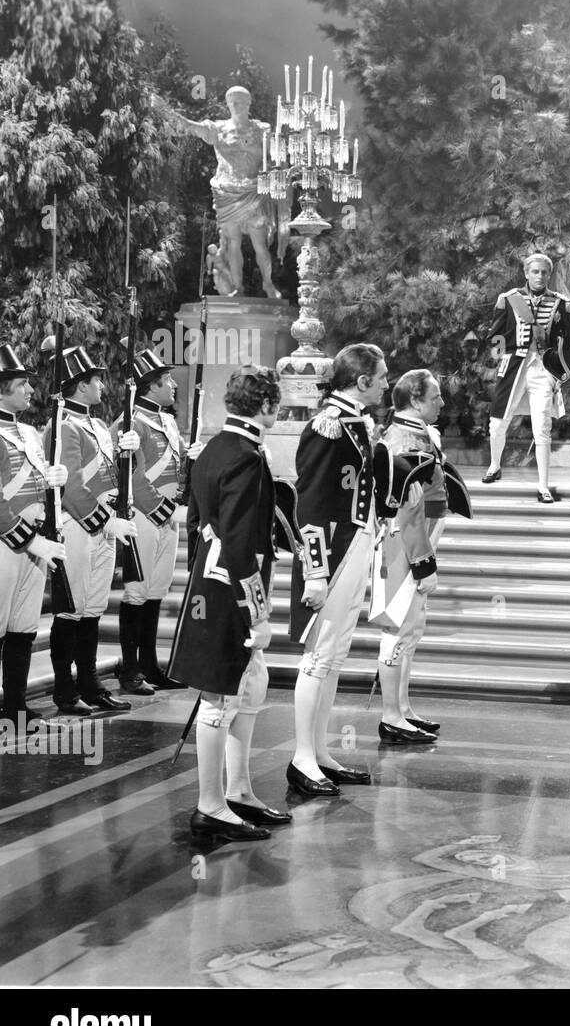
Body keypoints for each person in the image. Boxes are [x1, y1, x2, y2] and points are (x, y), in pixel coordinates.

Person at [169, 365, 289, 841]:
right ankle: (211, 805)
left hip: (209, 580)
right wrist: (257, 610)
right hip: (231, 589)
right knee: (219, 696)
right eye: (276, 404)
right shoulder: (246, 457)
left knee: (249, 686)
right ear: (265, 406)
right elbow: (241, 543)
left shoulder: (214, 448)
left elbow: (196, 523)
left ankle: (237, 791)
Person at [287, 344, 388, 796]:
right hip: (331, 553)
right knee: (318, 656)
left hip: (357, 545)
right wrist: (313, 570)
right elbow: (307, 503)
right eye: (382, 377)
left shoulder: (352, 422)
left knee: (334, 657)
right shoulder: (326, 427)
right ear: (362, 380)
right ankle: (301, 757)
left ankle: (320, 752)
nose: (388, 383)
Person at [48, 346, 139, 715]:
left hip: (103, 525)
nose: (103, 384)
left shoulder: (98, 425)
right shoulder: (63, 427)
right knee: (71, 609)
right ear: (81, 386)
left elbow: (106, 474)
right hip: (78, 525)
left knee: (93, 608)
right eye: (96, 379)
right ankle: (64, 690)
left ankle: (89, 681)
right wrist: (104, 520)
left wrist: (124, 453)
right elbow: (70, 488)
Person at [372, 369, 445, 744]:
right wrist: (423, 561)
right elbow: (407, 510)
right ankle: (390, 715)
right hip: (403, 545)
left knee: (410, 630)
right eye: (435, 398)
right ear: (415, 401)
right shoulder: (403, 440)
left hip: (414, 542)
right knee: (397, 628)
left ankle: (401, 708)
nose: (442, 403)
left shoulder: (413, 433)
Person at [116, 350, 196, 695]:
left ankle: (150, 665)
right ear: (151, 386)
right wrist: (161, 509)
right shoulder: (130, 422)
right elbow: (131, 476)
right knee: (136, 593)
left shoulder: (165, 420)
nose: (175, 385)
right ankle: (129, 669)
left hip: (166, 515)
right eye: (168, 380)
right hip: (143, 517)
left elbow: (176, 467)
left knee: (155, 592)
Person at [151, 86, 279, 299]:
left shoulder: (262, 130)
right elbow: (188, 127)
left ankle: (268, 284)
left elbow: (279, 157)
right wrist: (166, 111)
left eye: (239, 101)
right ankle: (238, 287)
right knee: (233, 243)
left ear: (248, 104)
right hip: (226, 191)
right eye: (231, 102)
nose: (234, 105)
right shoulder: (218, 129)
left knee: (259, 243)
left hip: (254, 191)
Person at [0, 343, 68, 722]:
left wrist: (57, 479)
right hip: (6, 543)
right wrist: (29, 539)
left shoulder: (28, 432)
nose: (30, 391)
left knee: (24, 627)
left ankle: (15, 707)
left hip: (34, 541)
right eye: (22, 384)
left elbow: (39, 479)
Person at [481, 252, 570, 503]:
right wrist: (499, 356)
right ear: (526, 273)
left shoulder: (562, 303)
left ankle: (543, 486)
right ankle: (494, 466)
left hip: (543, 370)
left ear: (549, 275)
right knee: (497, 423)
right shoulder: (508, 299)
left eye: (544, 272)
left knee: (542, 429)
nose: (539, 276)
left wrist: (560, 370)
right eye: (534, 271)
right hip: (514, 367)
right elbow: (495, 335)